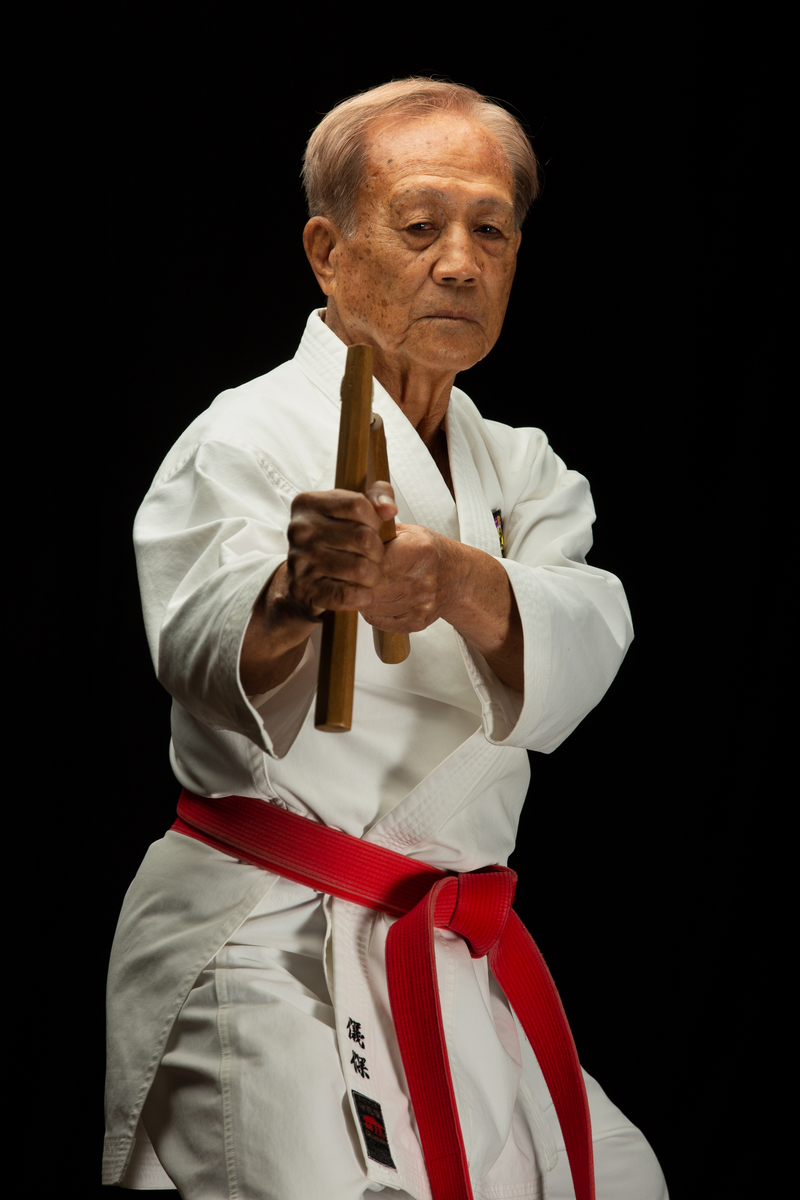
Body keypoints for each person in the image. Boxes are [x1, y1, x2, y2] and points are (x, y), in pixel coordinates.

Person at [104, 78, 668, 1199]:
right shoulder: (246, 435)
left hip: (452, 944)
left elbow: (588, 638)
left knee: (618, 1176)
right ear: (328, 249)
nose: (458, 261)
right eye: (419, 227)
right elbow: (201, 649)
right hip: (270, 940)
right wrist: (299, 590)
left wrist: (450, 577)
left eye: (489, 230)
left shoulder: (523, 466)